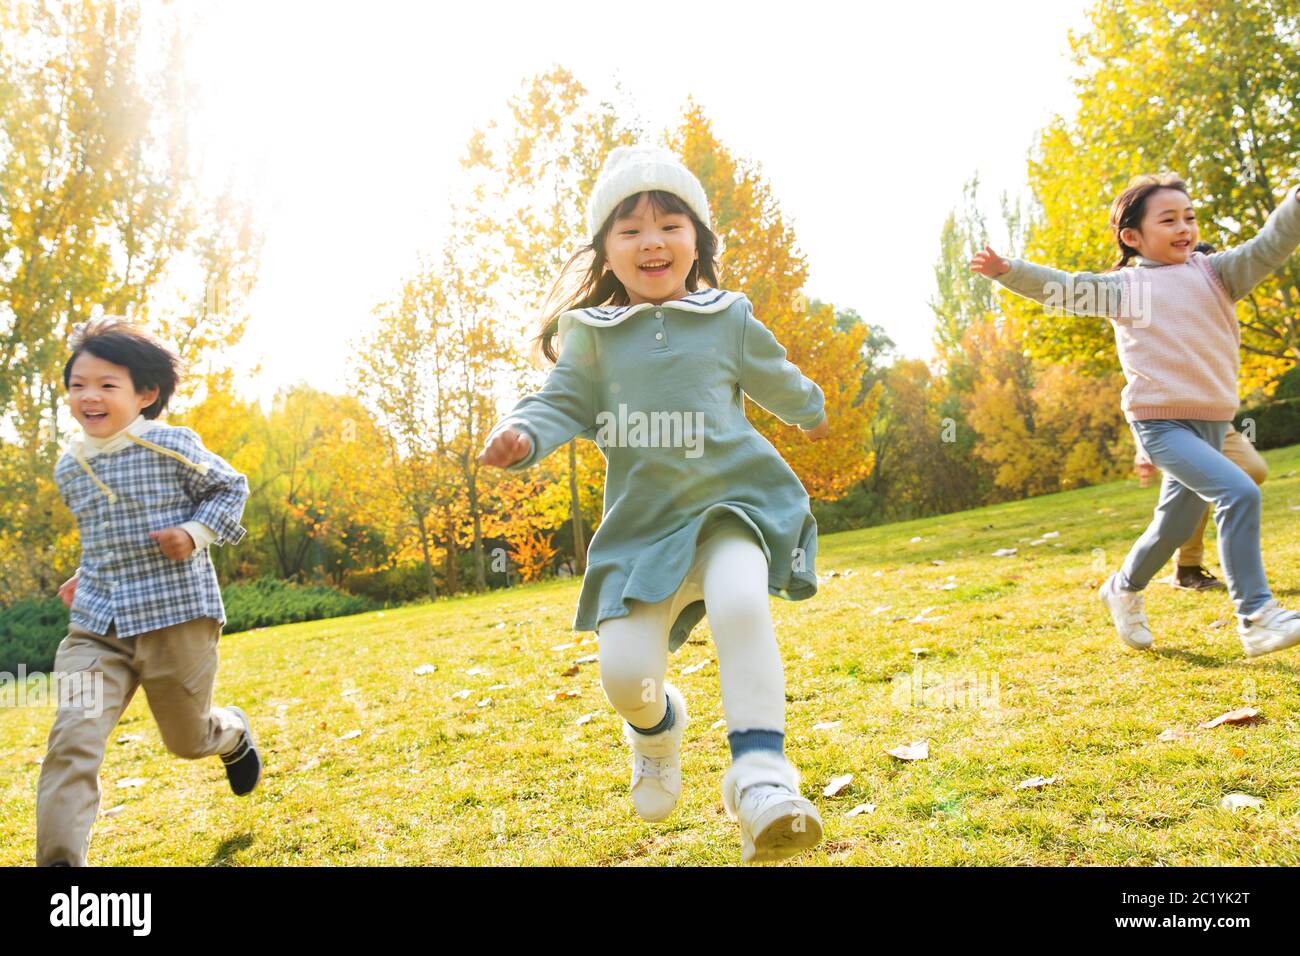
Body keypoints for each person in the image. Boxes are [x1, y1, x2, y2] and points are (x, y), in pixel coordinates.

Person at [478, 145, 829, 862]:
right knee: (624, 678)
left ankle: (761, 776)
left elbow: (778, 375)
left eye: (670, 223)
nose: (652, 242)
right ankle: (656, 730)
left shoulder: (726, 316)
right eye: (630, 229)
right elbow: (558, 403)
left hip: (734, 505)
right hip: (643, 530)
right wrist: (521, 435)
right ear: (605, 252)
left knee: (740, 600)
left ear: (696, 238)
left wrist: (808, 405)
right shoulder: (593, 338)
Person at [971, 174, 1300, 657]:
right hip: (1161, 423)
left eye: (1189, 217)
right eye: (1168, 219)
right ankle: (1255, 615)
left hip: (1211, 422)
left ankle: (1122, 587)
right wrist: (1008, 270)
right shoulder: (1128, 289)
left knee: (1171, 527)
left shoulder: (1217, 274)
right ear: (1133, 236)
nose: (1184, 227)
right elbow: (1062, 289)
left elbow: (1270, 245)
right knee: (1239, 491)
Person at [36, 319, 259, 867]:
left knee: (188, 740)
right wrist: (83, 574)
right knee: (73, 741)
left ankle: (228, 734)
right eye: (78, 384)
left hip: (175, 616)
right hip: (98, 625)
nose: (89, 396)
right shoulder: (71, 465)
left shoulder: (170, 444)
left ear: (146, 394)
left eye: (107, 385)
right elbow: (102, 533)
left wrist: (194, 533)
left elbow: (230, 487)